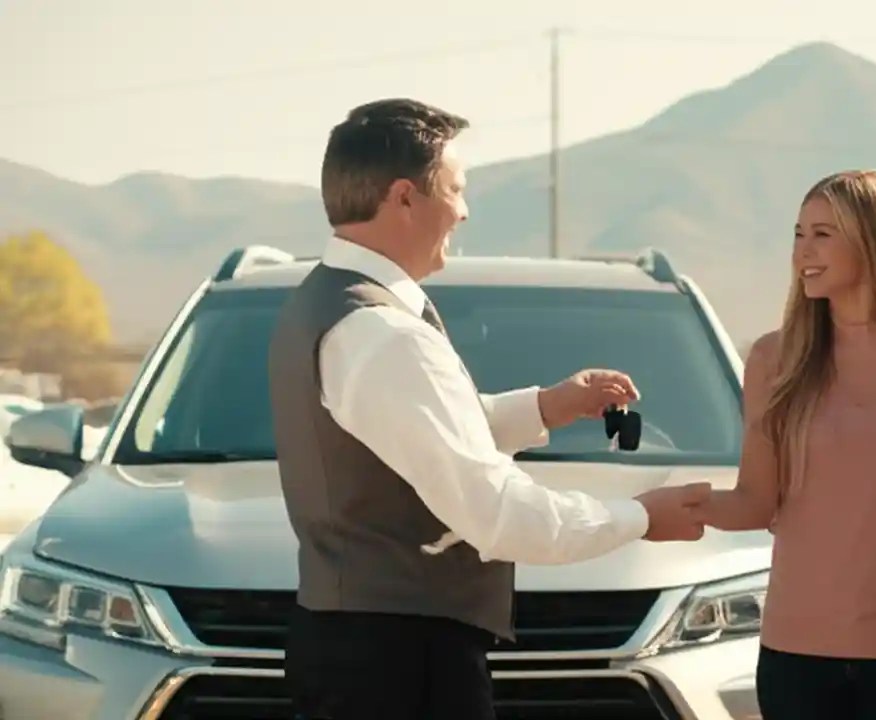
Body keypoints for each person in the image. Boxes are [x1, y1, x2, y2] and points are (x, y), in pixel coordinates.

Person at [266, 98, 711, 720]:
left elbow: (416, 428)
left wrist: (546, 408)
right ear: (403, 198)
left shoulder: (324, 304)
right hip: (401, 665)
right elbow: (496, 513)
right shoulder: (384, 333)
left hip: (360, 647)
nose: (465, 210)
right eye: (456, 188)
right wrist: (638, 517)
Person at [704, 169, 876, 717]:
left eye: (824, 234)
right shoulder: (773, 358)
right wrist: (648, 512)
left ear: (875, 238)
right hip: (794, 654)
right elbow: (757, 501)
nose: (803, 250)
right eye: (798, 234)